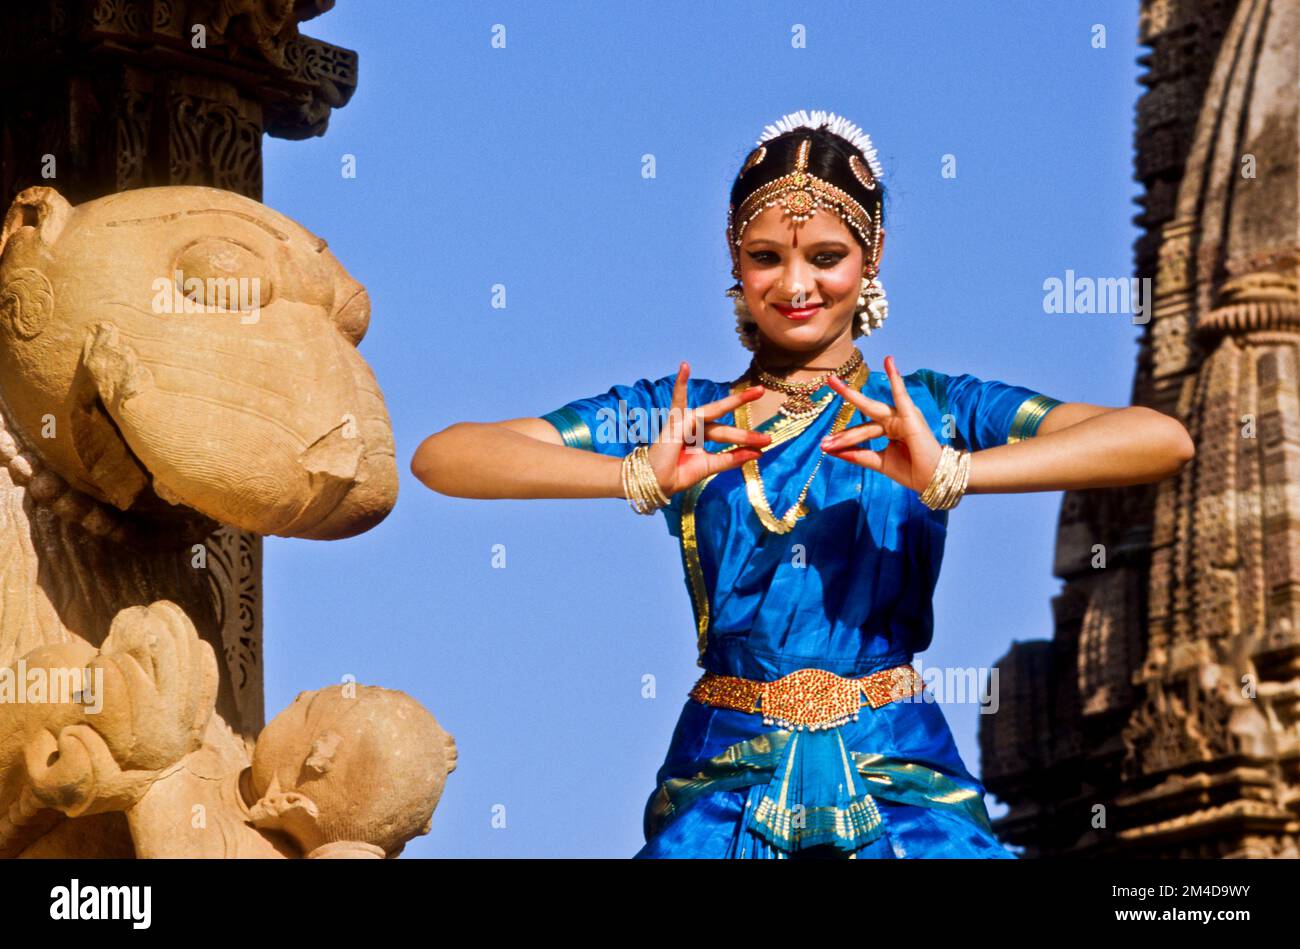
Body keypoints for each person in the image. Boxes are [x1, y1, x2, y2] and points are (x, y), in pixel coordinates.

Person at [410, 109, 1195, 859]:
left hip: (900, 774)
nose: (795, 285)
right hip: (726, 771)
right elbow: (444, 457)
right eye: (766, 257)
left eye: (825, 256)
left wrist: (957, 470)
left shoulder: (931, 409)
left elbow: (1159, 439)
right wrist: (632, 475)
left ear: (873, 253)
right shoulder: (688, 415)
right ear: (733, 256)